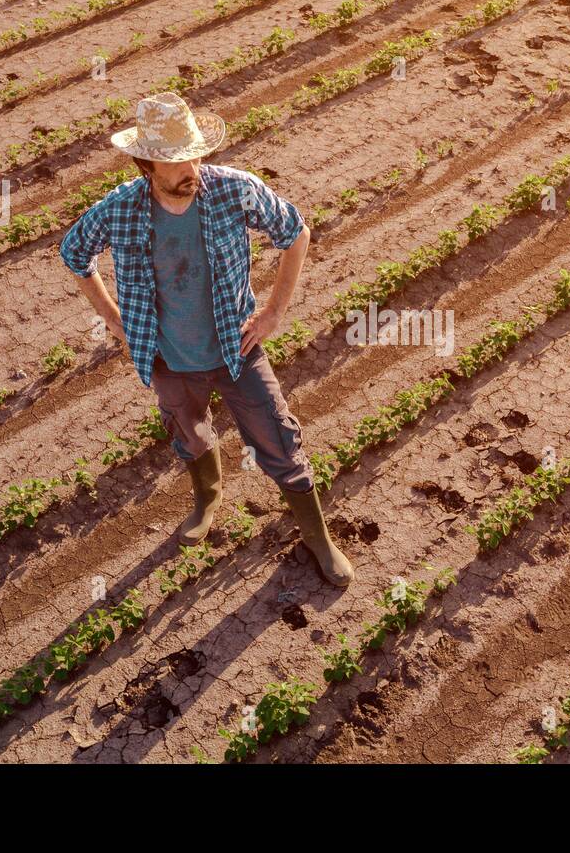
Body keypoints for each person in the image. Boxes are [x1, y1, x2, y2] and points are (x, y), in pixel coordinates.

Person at [59, 92, 353, 586]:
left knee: (279, 439)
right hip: (169, 362)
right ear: (145, 164)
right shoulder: (120, 211)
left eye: (194, 153)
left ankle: (317, 537)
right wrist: (116, 321)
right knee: (189, 433)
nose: (190, 167)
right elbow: (74, 254)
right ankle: (207, 497)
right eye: (175, 160)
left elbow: (295, 232)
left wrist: (274, 311)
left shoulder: (234, 190)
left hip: (236, 351)